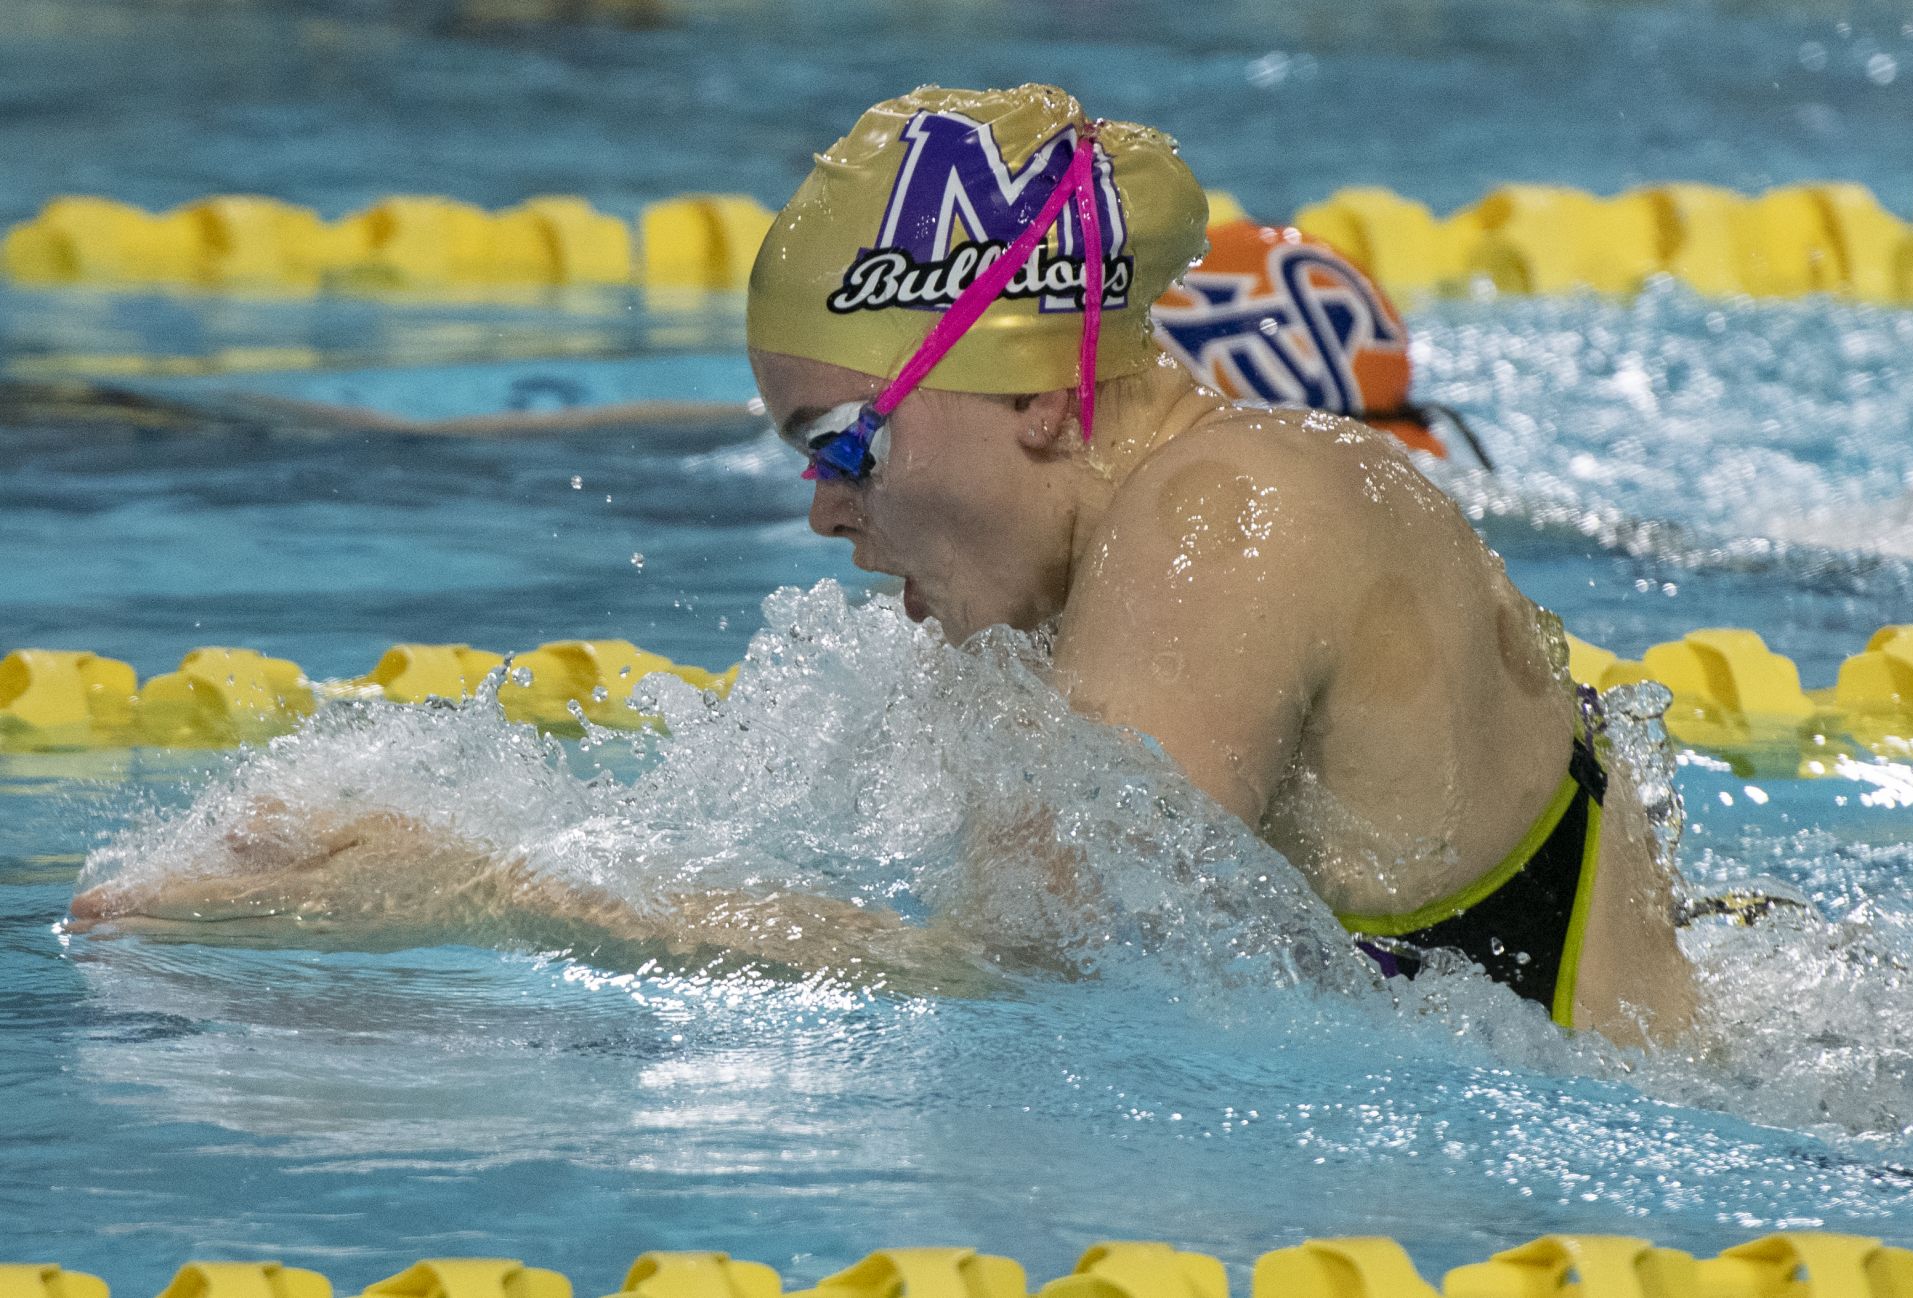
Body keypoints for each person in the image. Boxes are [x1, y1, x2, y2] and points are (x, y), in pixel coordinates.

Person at [73, 84, 1695, 1043]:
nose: (824, 516)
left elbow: (1025, 980)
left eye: (844, 445)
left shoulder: (1227, 515)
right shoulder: (1133, 552)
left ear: (1041, 394)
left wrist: (486, 889)